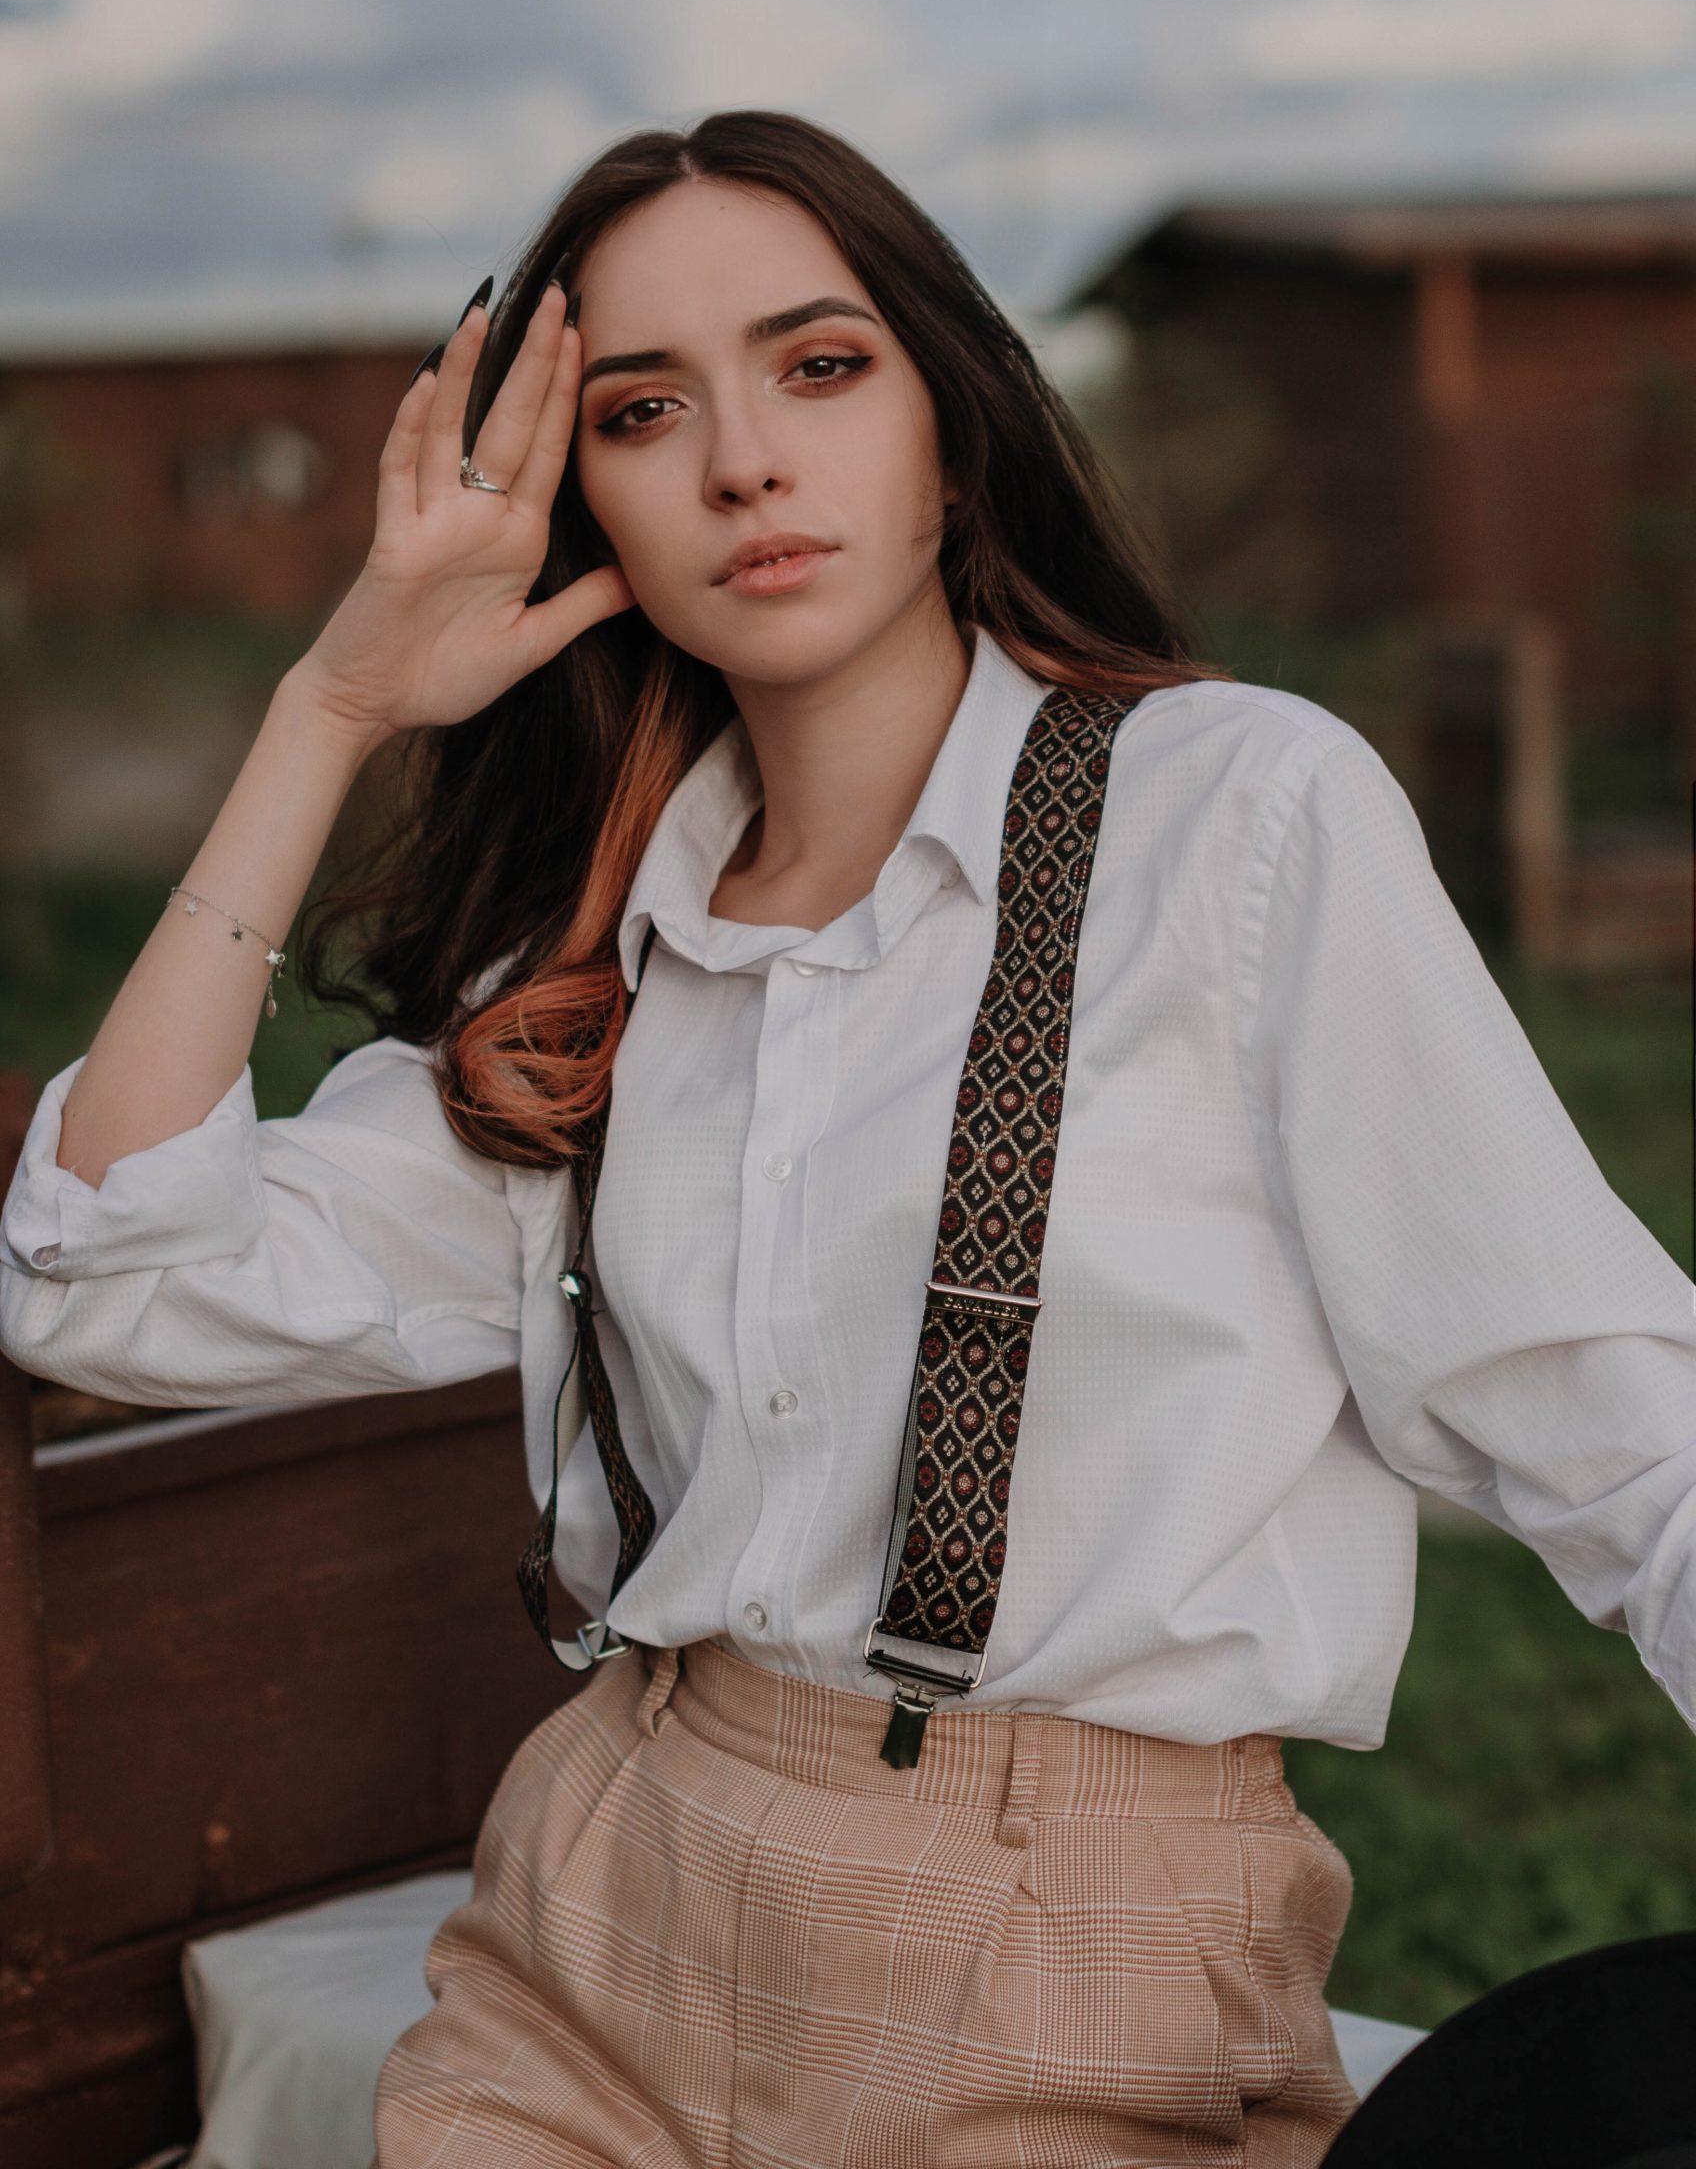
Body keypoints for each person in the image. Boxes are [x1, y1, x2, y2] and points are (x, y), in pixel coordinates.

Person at [1, 109, 1690, 2169]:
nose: (741, 461)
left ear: (952, 421)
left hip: (1078, 1953)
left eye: (817, 365)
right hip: (598, 1920)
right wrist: (331, 707)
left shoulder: (1233, 815)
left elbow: (1607, 1411)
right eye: (643, 406)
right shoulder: (589, 964)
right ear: (581, 490)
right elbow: (113, 1279)